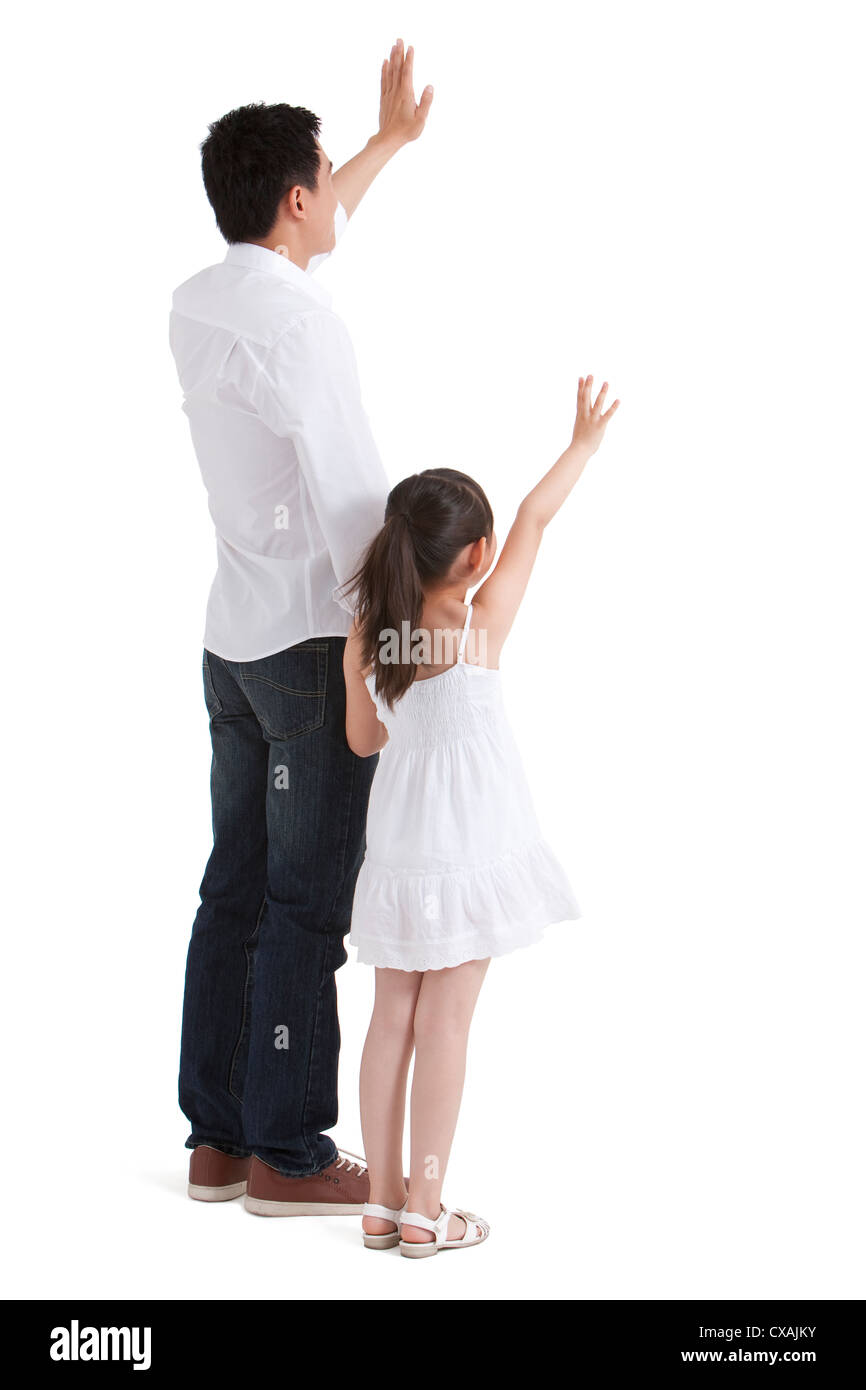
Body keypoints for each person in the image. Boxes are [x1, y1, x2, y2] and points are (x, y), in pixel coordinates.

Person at [168, 39, 434, 1214]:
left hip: (230, 641)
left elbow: (292, 248)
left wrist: (378, 148)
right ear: (291, 197)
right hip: (302, 650)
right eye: (326, 181)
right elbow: (352, 504)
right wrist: (383, 659)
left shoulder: (204, 299)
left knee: (232, 888)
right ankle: (288, 1155)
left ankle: (215, 1140)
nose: (336, 199)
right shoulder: (300, 330)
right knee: (303, 906)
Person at [341, 374, 621, 1255]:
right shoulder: (481, 627)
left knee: (392, 1018)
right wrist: (581, 445)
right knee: (447, 1025)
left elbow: (359, 743)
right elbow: (536, 523)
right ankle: (429, 1210)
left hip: (396, 855)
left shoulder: (370, 635)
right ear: (473, 558)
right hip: (472, 854)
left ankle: (382, 1204)